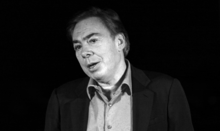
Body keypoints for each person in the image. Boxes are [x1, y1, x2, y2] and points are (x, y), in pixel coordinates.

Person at [44, 7, 194, 131]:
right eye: (78, 46)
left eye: (93, 40)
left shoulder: (165, 90)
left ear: (119, 42)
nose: (84, 52)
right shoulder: (61, 98)